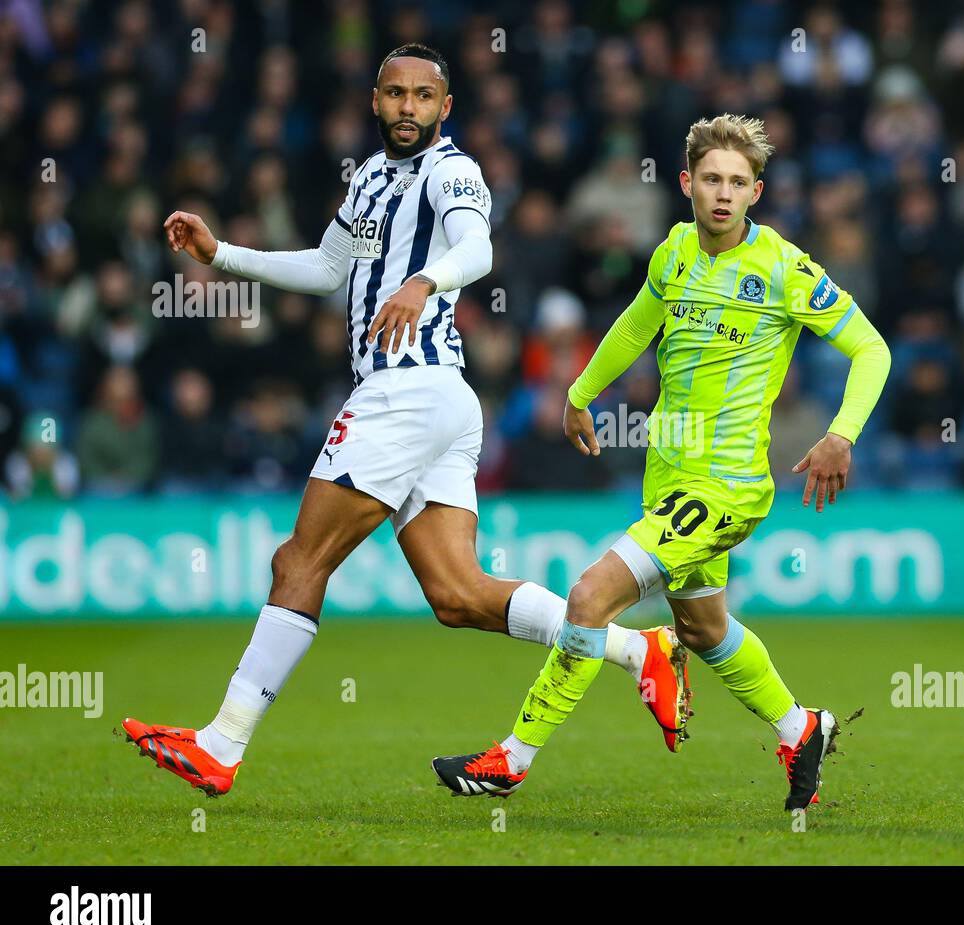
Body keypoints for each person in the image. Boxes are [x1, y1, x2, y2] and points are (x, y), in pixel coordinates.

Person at [121, 44, 687, 799]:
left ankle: (222, 743)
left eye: (424, 96)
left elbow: (478, 247)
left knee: (298, 563)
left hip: (405, 389)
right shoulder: (367, 182)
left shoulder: (452, 172)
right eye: (396, 94)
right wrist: (222, 255)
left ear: (445, 107)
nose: (409, 108)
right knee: (458, 596)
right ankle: (636, 650)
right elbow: (326, 270)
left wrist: (426, 279)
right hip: (439, 400)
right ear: (376, 100)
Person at [433, 114, 891, 810]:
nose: (724, 193)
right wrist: (581, 392)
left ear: (756, 193)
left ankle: (512, 759)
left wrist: (842, 434)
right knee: (705, 630)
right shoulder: (673, 253)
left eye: (738, 182)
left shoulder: (784, 269)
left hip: (727, 486)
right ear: (687, 183)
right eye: (712, 178)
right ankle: (802, 730)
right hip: (670, 481)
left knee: (589, 597)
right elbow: (637, 325)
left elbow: (872, 349)